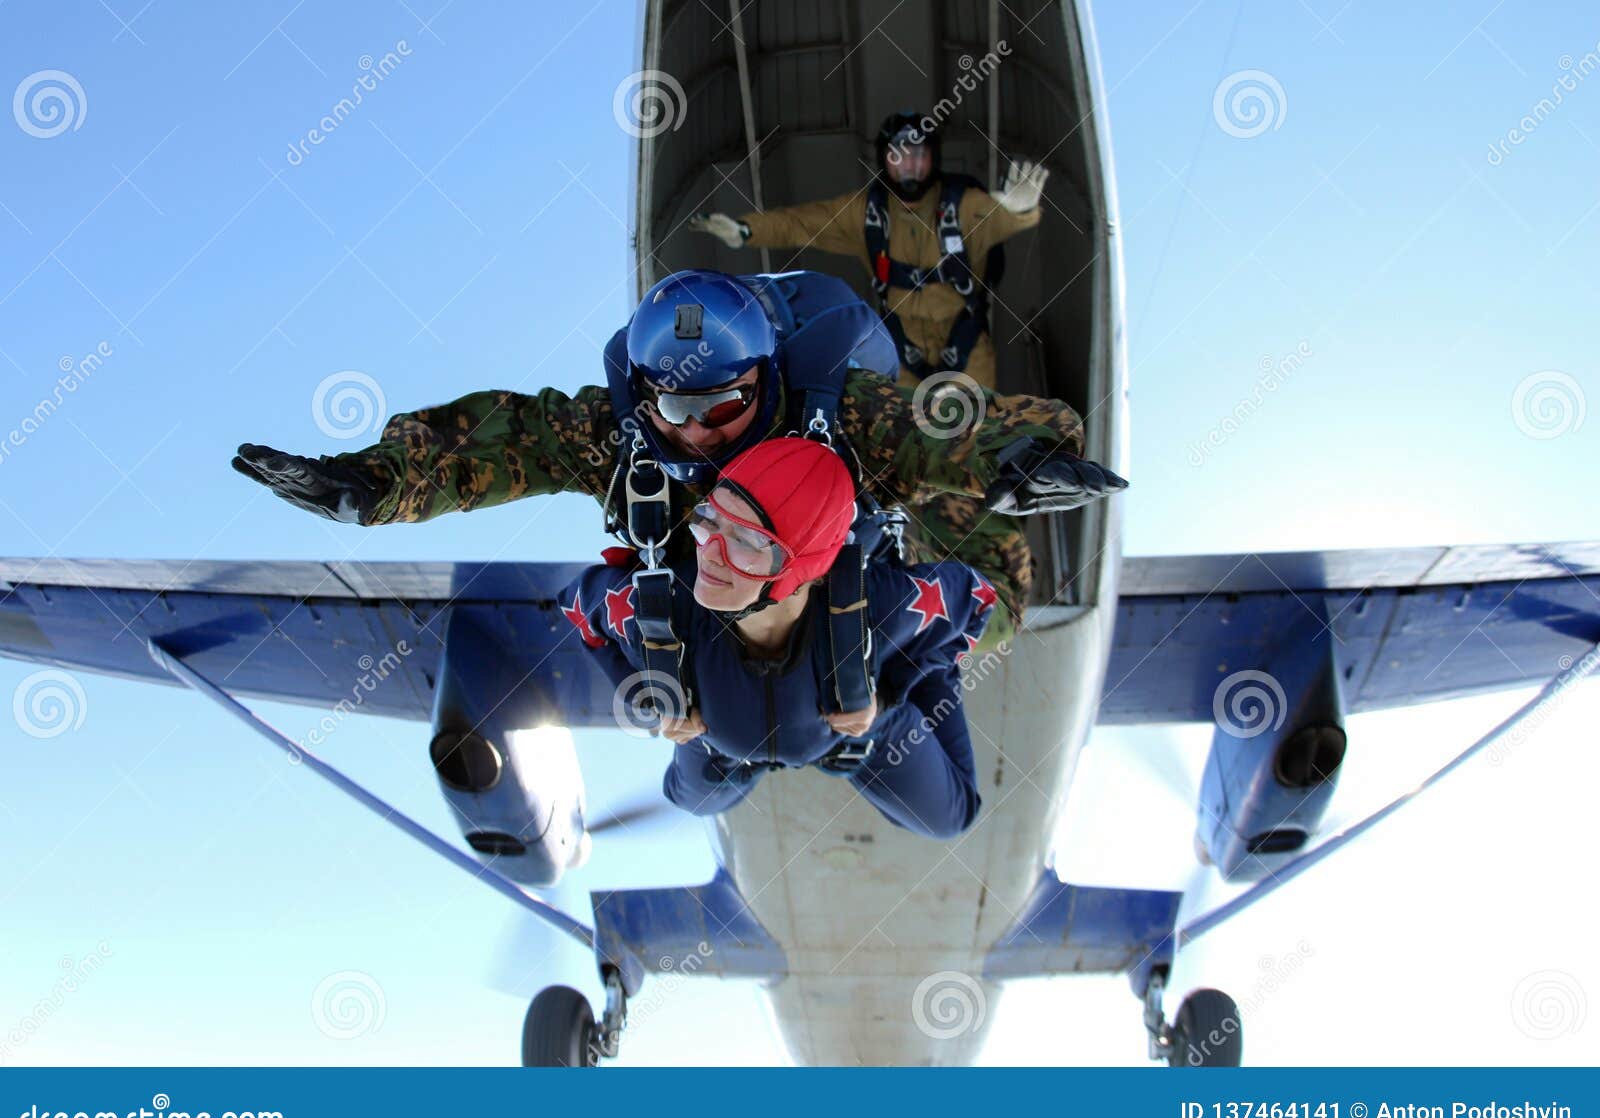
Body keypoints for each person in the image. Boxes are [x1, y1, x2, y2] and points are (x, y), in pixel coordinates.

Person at [233, 269, 1123, 646]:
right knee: (651, 600)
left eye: (725, 406)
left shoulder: (838, 409)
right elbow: (499, 438)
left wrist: (1026, 452)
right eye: (677, 408)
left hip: (880, 557)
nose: (698, 431)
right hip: (733, 596)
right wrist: (373, 486)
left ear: (765, 382)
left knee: (982, 589)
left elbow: (945, 421)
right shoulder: (623, 436)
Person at [560, 436, 992, 839]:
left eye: (747, 539)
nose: (710, 552)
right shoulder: (653, 612)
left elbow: (978, 601)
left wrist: (890, 698)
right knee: (691, 798)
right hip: (722, 742)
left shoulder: (880, 606)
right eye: (709, 520)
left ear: (802, 570)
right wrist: (649, 697)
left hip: (855, 730)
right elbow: (577, 609)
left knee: (950, 818)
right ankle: (745, 753)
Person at [688, 110, 1046, 392]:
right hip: (901, 348)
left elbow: (998, 218)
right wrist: (746, 231)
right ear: (884, 160)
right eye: (899, 155)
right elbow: (803, 223)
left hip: (966, 342)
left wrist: (1017, 210)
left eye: (919, 154)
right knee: (903, 447)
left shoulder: (962, 205)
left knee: (976, 440)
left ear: (932, 158)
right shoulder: (868, 214)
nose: (909, 164)